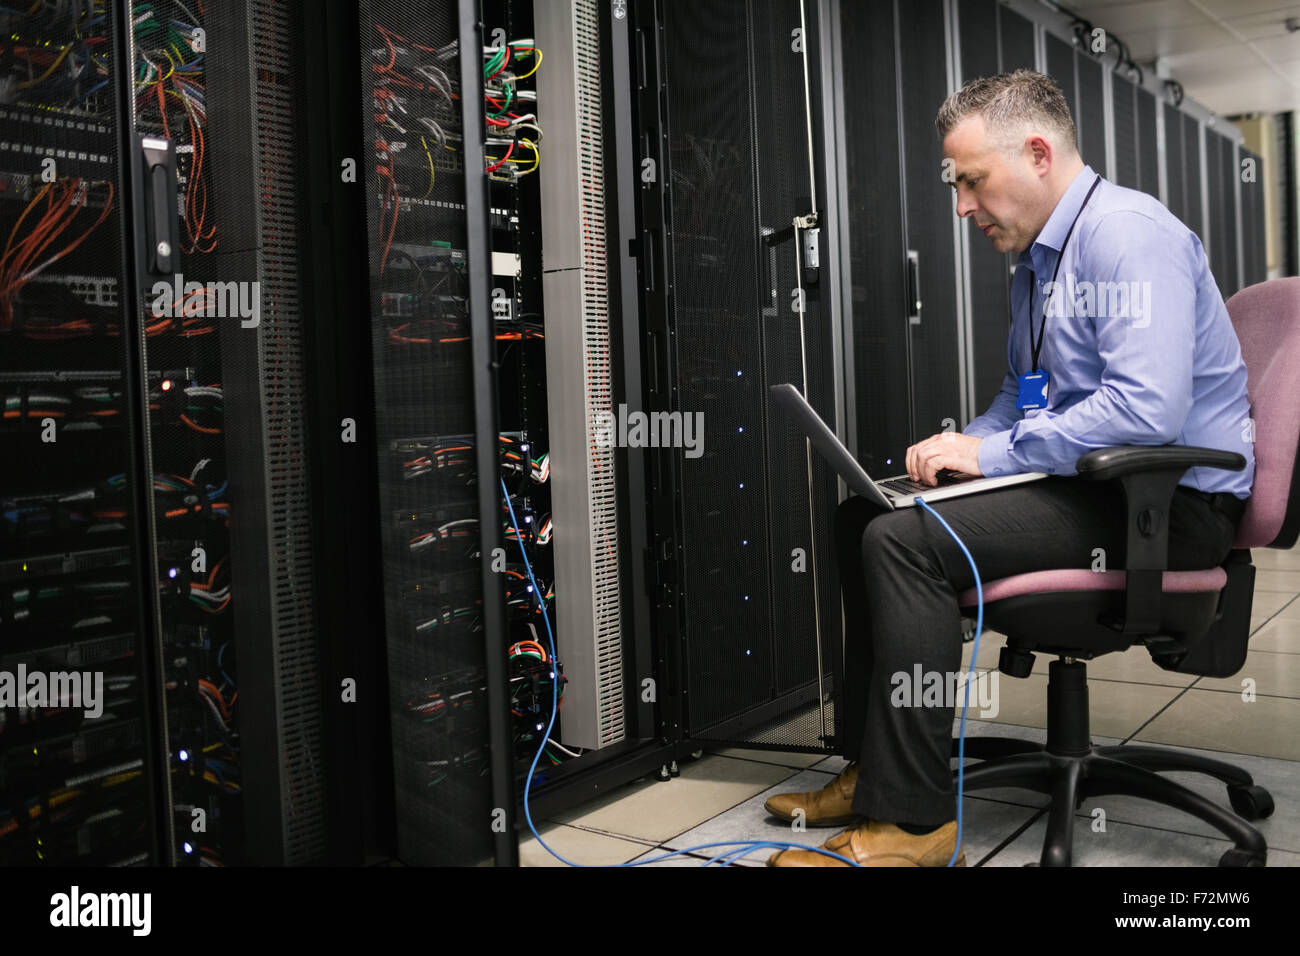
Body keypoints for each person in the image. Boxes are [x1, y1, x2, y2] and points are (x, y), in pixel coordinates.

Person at [765, 70, 1255, 867]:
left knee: (904, 544)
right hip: (1093, 490)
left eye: (970, 181)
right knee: (867, 517)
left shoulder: (1128, 236)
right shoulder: (1041, 262)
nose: (961, 206)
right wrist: (960, 448)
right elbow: (1023, 400)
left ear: (1036, 153)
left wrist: (990, 455)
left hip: (1167, 510)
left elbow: (1145, 414)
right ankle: (876, 769)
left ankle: (915, 825)